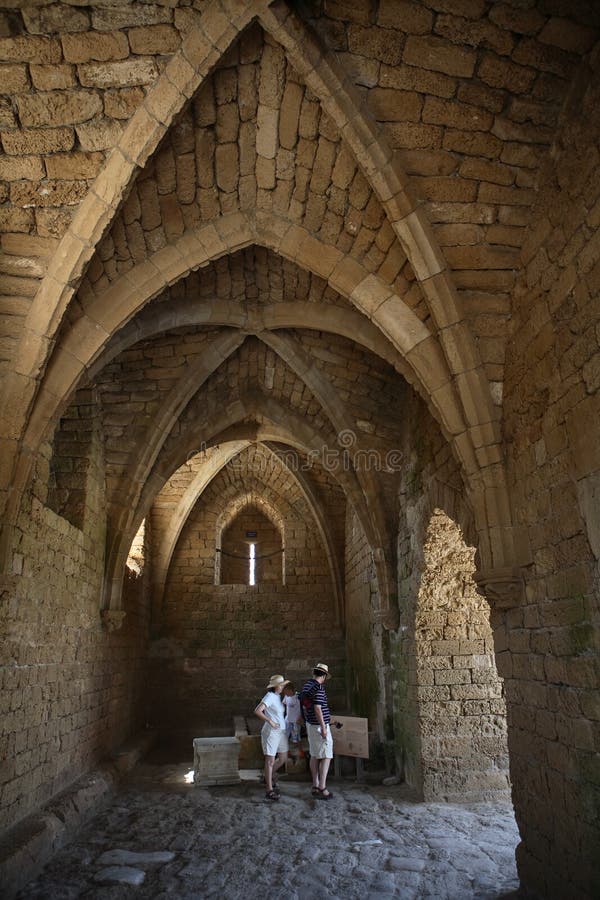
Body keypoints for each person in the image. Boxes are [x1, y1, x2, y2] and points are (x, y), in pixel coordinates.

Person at [300, 663, 334, 800]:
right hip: (319, 726)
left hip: (310, 724)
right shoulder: (318, 688)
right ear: (324, 676)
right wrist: (324, 727)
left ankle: (315, 784)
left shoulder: (307, 685)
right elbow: (318, 708)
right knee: (327, 755)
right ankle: (322, 787)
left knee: (314, 754)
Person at [254, 674, 289, 801]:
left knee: (283, 758)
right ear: (276, 686)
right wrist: (270, 721)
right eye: (282, 685)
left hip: (281, 732)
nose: (283, 686)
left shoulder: (278, 696)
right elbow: (258, 710)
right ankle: (269, 790)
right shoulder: (269, 696)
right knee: (270, 761)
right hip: (271, 732)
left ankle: (267, 776)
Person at [282, 682, 303, 764]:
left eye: (286, 691)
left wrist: (300, 718)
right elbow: (283, 704)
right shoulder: (286, 696)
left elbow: (303, 708)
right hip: (287, 719)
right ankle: (287, 752)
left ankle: (301, 752)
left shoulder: (298, 697)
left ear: (291, 690)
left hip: (295, 721)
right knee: (284, 736)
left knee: (297, 738)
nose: (285, 693)